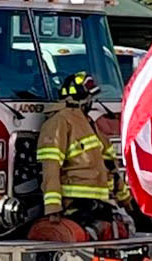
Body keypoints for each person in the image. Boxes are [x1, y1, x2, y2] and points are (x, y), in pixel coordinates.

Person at [36, 72, 116, 219]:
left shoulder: (88, 122)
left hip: (100, 201)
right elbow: (51, 167)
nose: (92, 102)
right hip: (75, 203)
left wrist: (125, 199)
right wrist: (53, 207)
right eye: (90, 98)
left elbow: (110, 165)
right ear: (82, 99)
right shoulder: (59, 121)